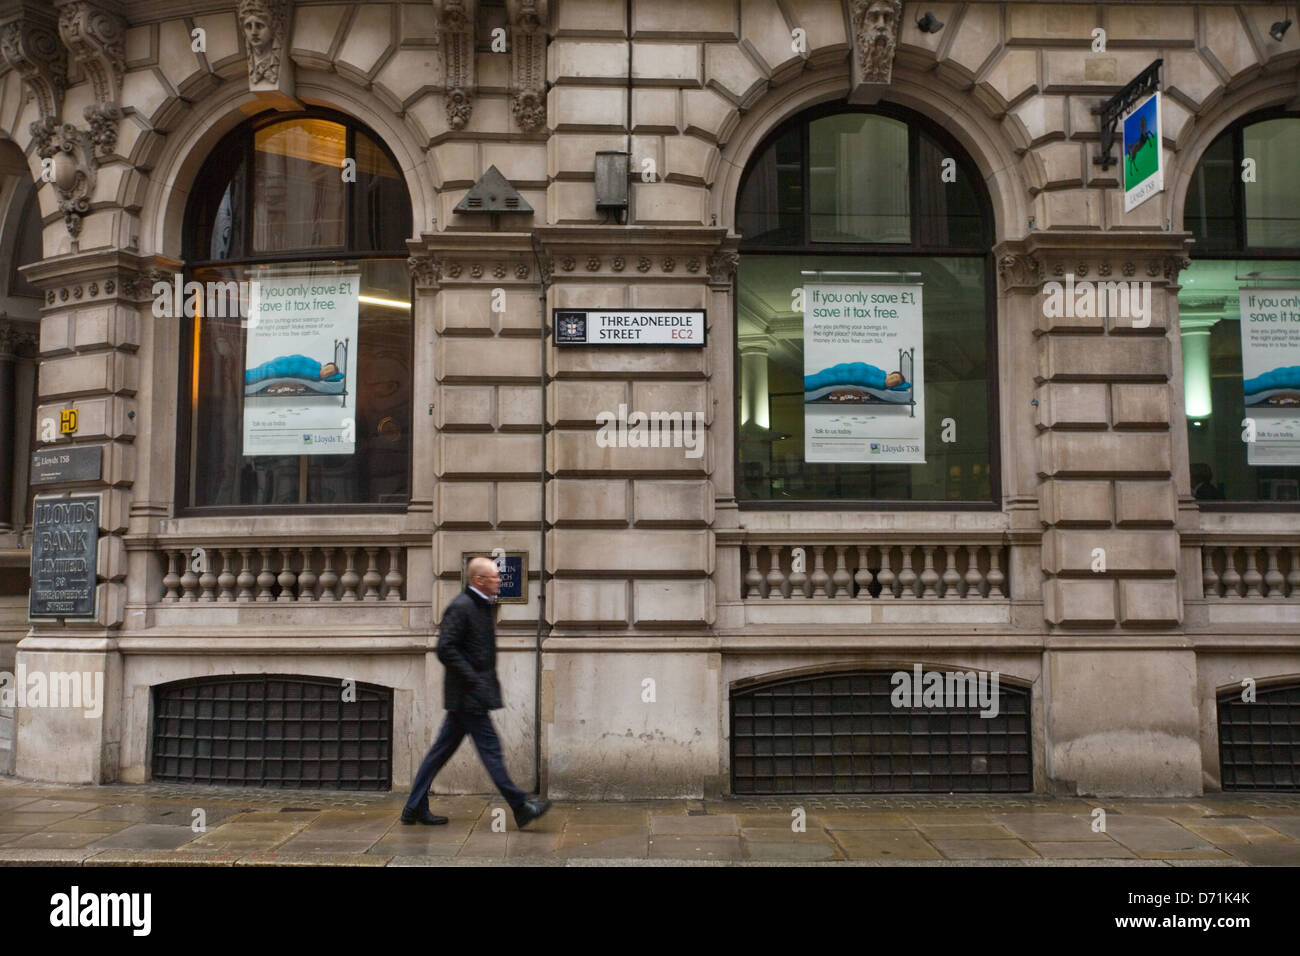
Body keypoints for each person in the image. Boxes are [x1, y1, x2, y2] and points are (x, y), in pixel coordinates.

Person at [401, 556, 551, 828]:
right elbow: (446, 648)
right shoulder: (462, 607)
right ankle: (520, 806)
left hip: (469, 697)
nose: (499, 580)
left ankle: (413, 808)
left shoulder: (480, 606)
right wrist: (473, 680)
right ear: (478, 580)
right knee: (491, 752)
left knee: (439, 754)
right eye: (494, 577)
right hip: (469, 697)